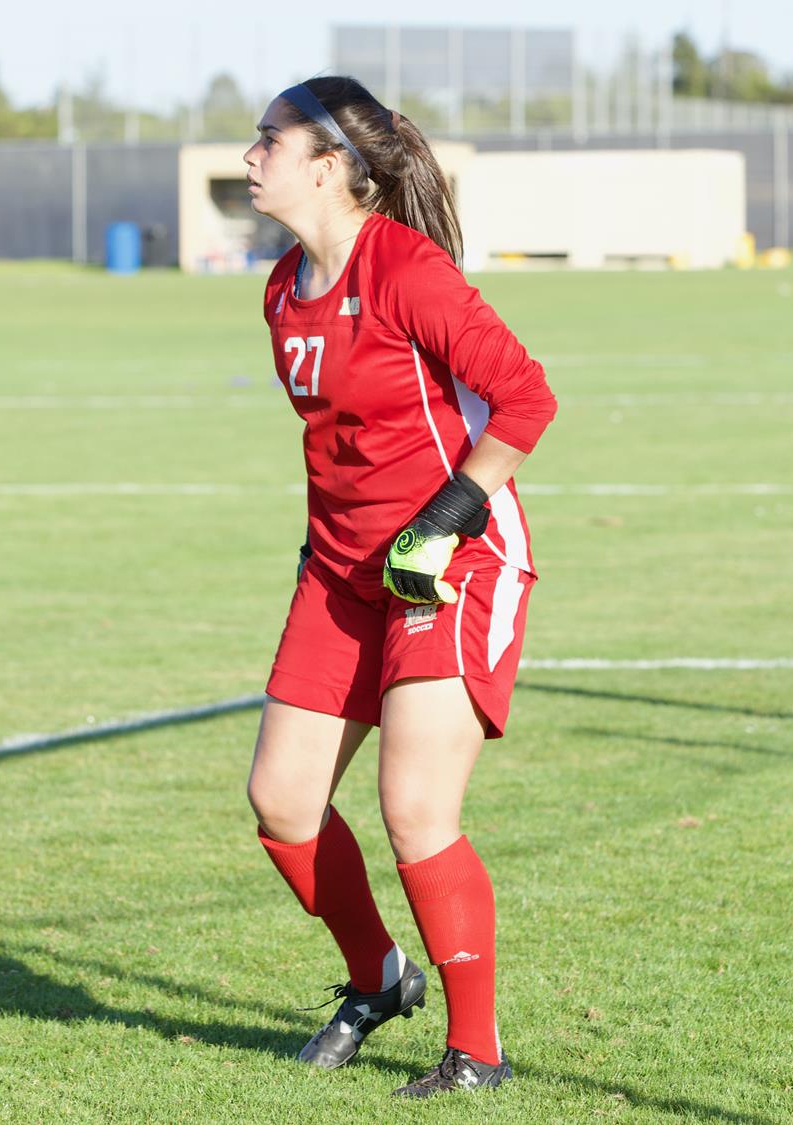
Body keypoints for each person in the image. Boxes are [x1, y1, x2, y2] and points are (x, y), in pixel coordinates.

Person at [239, 75, 557, 1100]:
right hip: (337, 570)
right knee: (282, 805)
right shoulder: (281, 286)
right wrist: (326, 554)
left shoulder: (407, 270)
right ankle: (378, 980)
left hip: (449, 561)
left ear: (328, 166)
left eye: (266, 142)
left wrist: (447, 517)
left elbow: (524, 397)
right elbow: (337, 448)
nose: (249, 157)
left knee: (414, 807)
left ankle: (477, 1052)